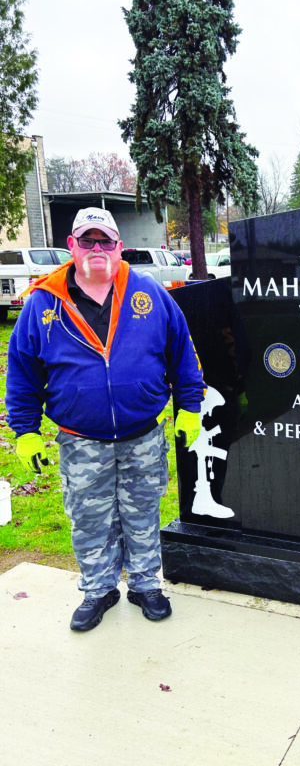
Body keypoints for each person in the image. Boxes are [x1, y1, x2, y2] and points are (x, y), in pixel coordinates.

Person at [6, 207, 205, 632]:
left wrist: (189, 408)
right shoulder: (44, 304)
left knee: (142, 511)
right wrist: (25, 433)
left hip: (143, 435)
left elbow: (182, 354)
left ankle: (146, 584)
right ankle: (99, 589)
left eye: (106, 241)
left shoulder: (149, 294)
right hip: (81, 440)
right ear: (72, 247)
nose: (98, 249)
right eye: (88, 241)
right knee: (89, 517)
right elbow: (22, 373)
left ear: (119, 248)